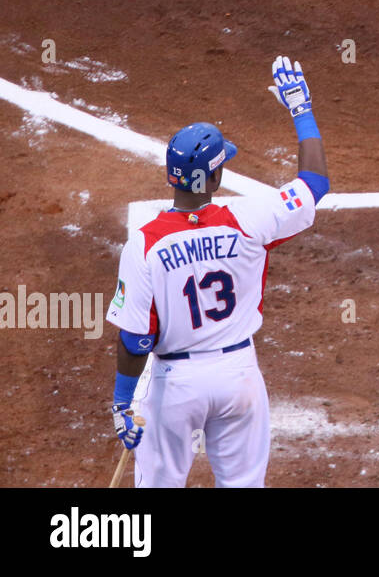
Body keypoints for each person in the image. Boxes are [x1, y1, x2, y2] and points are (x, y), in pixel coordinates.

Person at [106, 56, 329, 487]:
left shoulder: (145, 243)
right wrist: (300, 108)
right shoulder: (248, 219)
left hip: (174, 386)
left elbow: (135, 340)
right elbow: (315, 183)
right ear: (215, 176)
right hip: (238, 378)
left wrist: (121, 404)